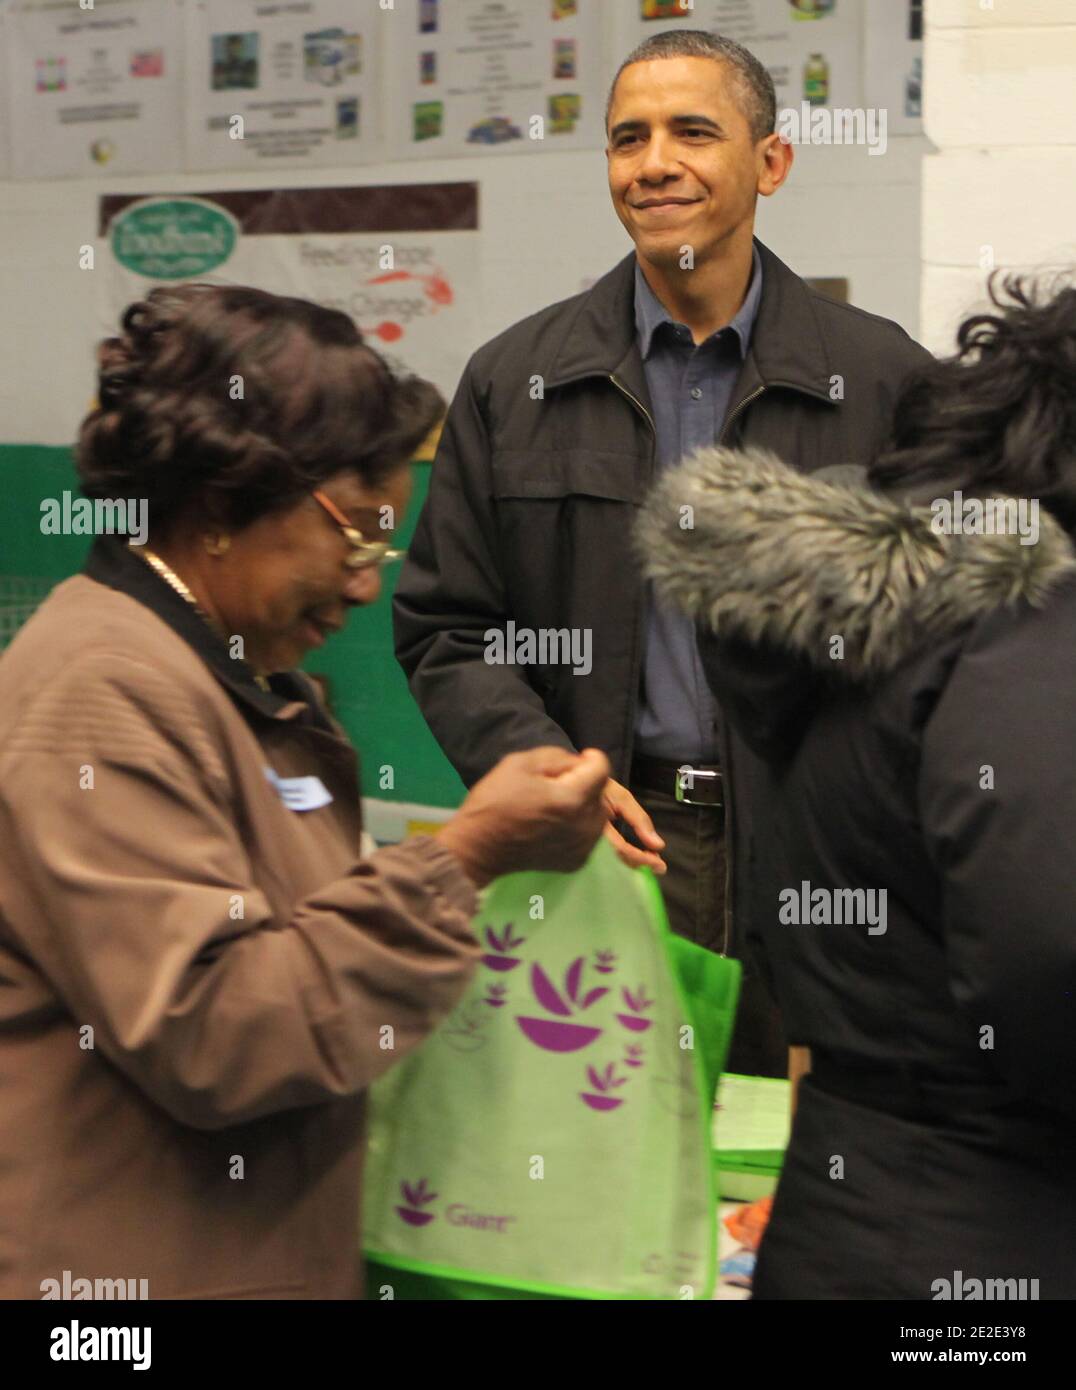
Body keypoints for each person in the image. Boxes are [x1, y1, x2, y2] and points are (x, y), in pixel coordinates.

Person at [0, 284, 610, 1301]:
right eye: (358, 536)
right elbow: (219, 1031)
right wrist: (461, 860)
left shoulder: (228, 677)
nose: (369, 584)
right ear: (226, 502)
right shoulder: (100, 692)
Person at [393, 29, 931, 1078]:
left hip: (814, 856)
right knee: (603, 1154)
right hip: (606, 845)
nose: (651, 164)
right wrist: (552, 778)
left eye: (692, 131)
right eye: (625, 139)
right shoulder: (515, 383)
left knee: (788, 1175)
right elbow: (448, 627)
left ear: (768, 163)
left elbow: (939, 642)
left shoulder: (882, 382)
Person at [638, 277, 1076, 1297]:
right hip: (990, 1227)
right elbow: (1047, 949)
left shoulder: (897, 624)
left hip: (864, 1201)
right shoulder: (1026, 619)